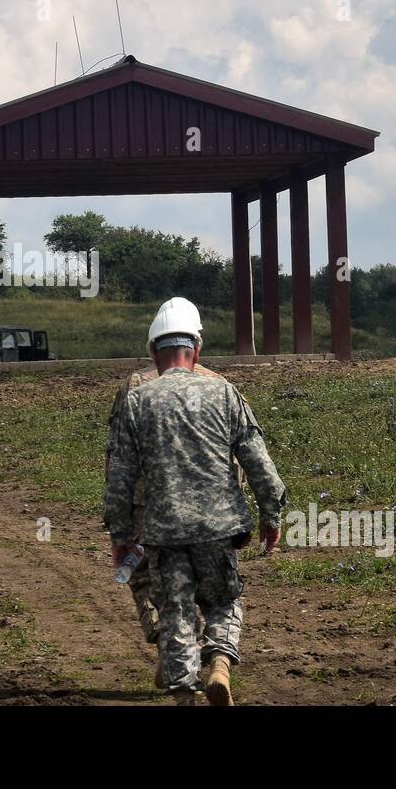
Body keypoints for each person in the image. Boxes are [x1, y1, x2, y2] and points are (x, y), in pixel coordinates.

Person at [105, 297, 287, 706]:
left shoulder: (137, 400)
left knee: (176, 611)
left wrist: (120, 535)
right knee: (223, 601)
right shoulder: (224, 393)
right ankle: (220, 663)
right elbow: (259, 462)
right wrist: (270, 515)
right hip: (219, 528)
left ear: (153, 353)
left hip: (163, 530)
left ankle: (184, 695)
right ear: (197, 350)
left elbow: (120, 476)